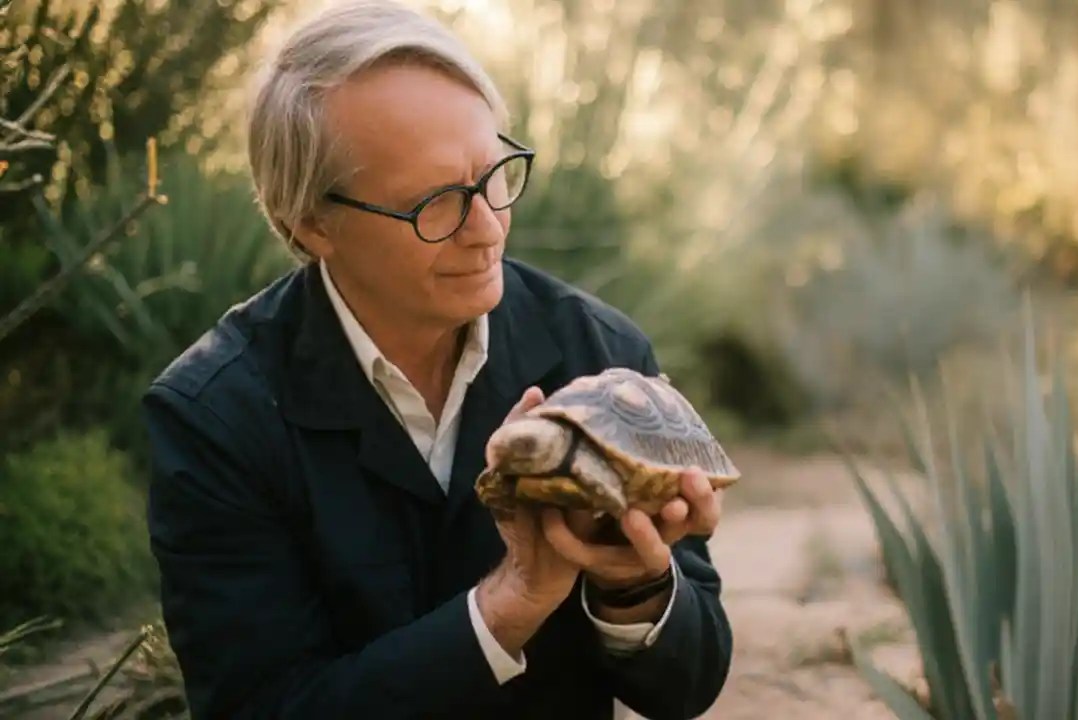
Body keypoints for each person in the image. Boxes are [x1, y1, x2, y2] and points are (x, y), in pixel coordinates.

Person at [139, 1, 733, 718]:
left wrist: (636, 585)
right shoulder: (215, 416)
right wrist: (506, 606)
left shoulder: (599, 354)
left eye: (495, 176)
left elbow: (689, 687)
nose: (487, 230)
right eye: (436, 203)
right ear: (311, 222)